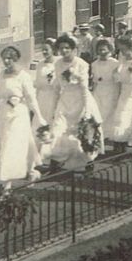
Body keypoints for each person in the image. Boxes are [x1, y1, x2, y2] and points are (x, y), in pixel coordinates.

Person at [0, 46, 45, 186]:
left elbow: (31, 98)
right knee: (13, 144)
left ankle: (6, 184)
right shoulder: (0, 75)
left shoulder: (23, 76)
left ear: (16, 59)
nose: (7, 61)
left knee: (12, 146)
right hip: (4, 114)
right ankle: (31, 171)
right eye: (4, 59)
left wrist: (39, 116)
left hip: (19, 115)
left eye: (10, 58)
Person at [49, 36, 103, 171]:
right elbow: (57, 88)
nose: (64, 51)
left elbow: (85, 89)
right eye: (61, 48)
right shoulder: (57, 64)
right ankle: (55, 162)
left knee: (83, 132)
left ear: (73, 49)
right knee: (58, 129)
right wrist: (54, 108)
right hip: (65, 101)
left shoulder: (82, 64)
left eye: (67, 48)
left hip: (81, 100)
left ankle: (88, 162)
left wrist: (87, 111)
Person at [32, 39, 60, 156]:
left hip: (53, 97)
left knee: (52, 124)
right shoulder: (40, 64)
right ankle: (37, 154)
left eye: (46, 49)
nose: (44, 52)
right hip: (41, 98)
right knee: (39, 123)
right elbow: (37, 84)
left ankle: (51, 153)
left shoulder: (58, 63)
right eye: (42, 49)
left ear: (53, 50)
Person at [90, 39, 121, 141]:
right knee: (98, 112)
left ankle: (108, 135)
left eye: (104, 50)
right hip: (99, 90)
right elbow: (94, 80)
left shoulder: (115, 63)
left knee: (109, 112)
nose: (102, 52)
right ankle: (99, 134)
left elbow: (118, 80)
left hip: (111, 89)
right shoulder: (94, 64)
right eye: (99, 50)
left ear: (109, 50)